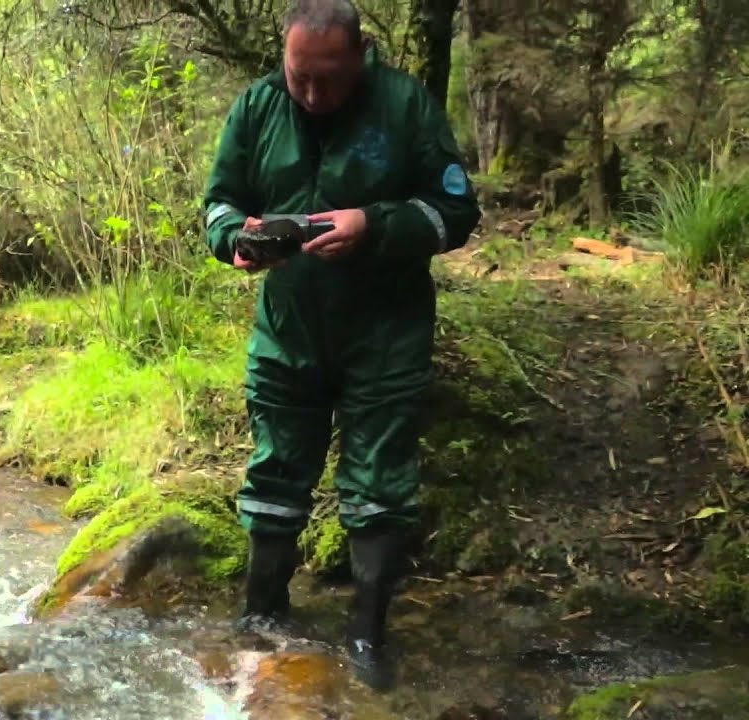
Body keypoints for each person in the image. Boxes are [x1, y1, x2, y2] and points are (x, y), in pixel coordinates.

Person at [200, 0, 482, 692]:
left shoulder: (406, 106)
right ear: (284, 61)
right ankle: (262, 614)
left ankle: (367, 633)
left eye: (329, 78)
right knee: (274, 473)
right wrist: (235, 238)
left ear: (361, 56)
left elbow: (455, 213)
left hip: (386, 329)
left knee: (379, 486)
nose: (315, 94)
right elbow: (217, 202)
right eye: (301, 77)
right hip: (287, 326)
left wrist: (375, 225)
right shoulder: (258, 107)